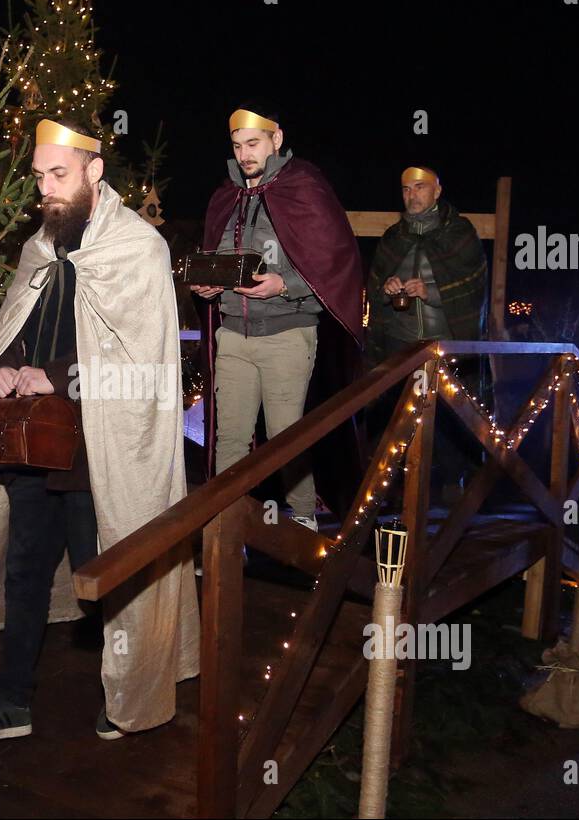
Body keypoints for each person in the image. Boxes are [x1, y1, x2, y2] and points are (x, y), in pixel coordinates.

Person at [0, 117, 199, 742]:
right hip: (37, 444)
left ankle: (127, 691)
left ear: (95, 170)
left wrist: (55, 378)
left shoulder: (138, 248)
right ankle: (12, 700)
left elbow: (142, 366)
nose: (46, 190)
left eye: (58, 174)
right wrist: (6, 372)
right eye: (39, 177)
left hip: (102, 450)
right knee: (25, 567)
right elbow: (15, 333)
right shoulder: (42, 247)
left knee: (108, 570)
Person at [191, 104, 363, 531]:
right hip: (232, 335)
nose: (245, 153)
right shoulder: (227, 195)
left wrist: (283, 284)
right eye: (237, 146)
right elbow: (218, 256)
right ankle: (225, 532)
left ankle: (304, 522)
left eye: (254, 143)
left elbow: (333, 262)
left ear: (277, 139)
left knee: (288, 439)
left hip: (287, 334)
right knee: (229, 440)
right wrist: (209, 281)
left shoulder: (304, 187)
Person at [364, 165, 489, 494]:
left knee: (452, 417)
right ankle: (389, 486)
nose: (412, 195)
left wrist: (431, 292)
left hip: (447, 344)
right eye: (406, 189)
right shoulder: (394, 238)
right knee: (396, 419)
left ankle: (453, 480)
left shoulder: (460, 235)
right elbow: (374, 288)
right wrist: (387, 289)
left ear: (437, 190)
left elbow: (474, 290)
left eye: (419, 187)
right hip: (399, 343)